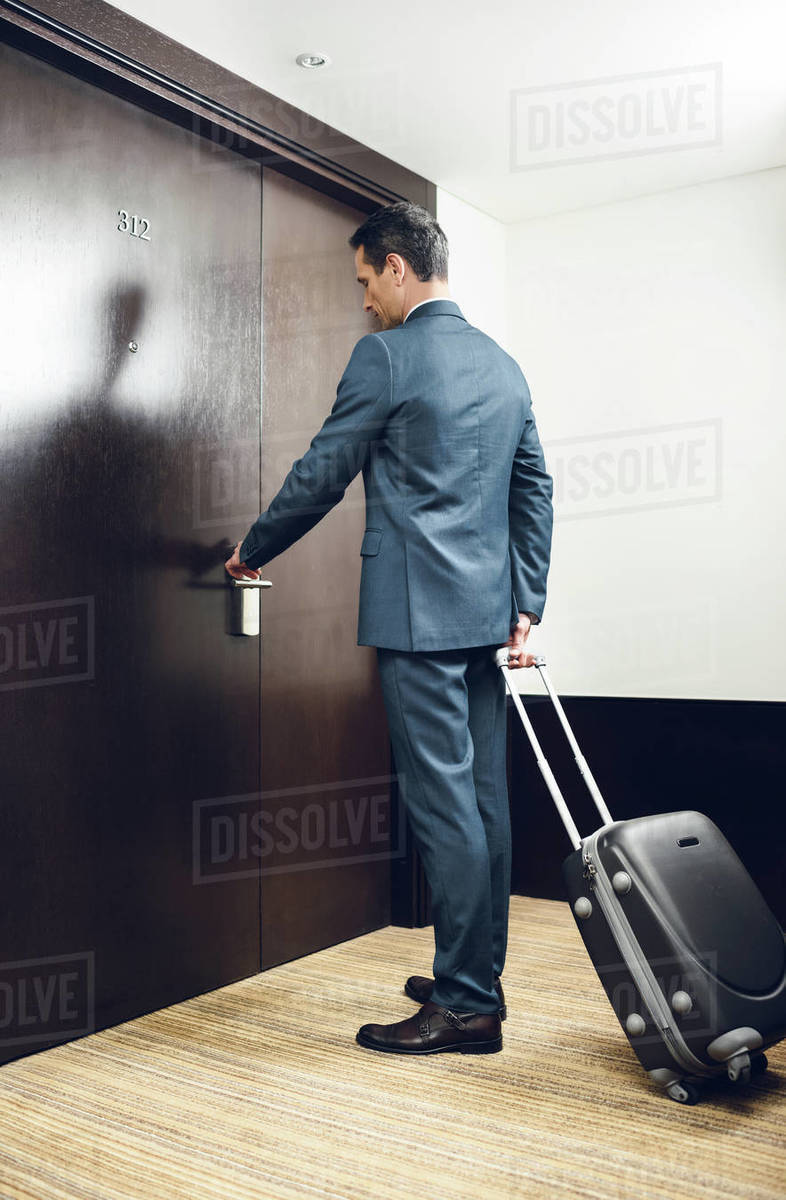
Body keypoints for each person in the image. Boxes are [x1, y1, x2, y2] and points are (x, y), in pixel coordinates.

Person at [225, 201, 553, 1055]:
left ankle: (467, 1006)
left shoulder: (388, 356)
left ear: (399, 269)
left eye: (367, 280)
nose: (365, 299)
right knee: (483, 801)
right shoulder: (503, 364)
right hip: (484, 619)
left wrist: (253, 550)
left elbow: (324, 470)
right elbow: (534, 489)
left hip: (417, 619)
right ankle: (478, 973)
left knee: (446, 810)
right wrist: (528, 600)